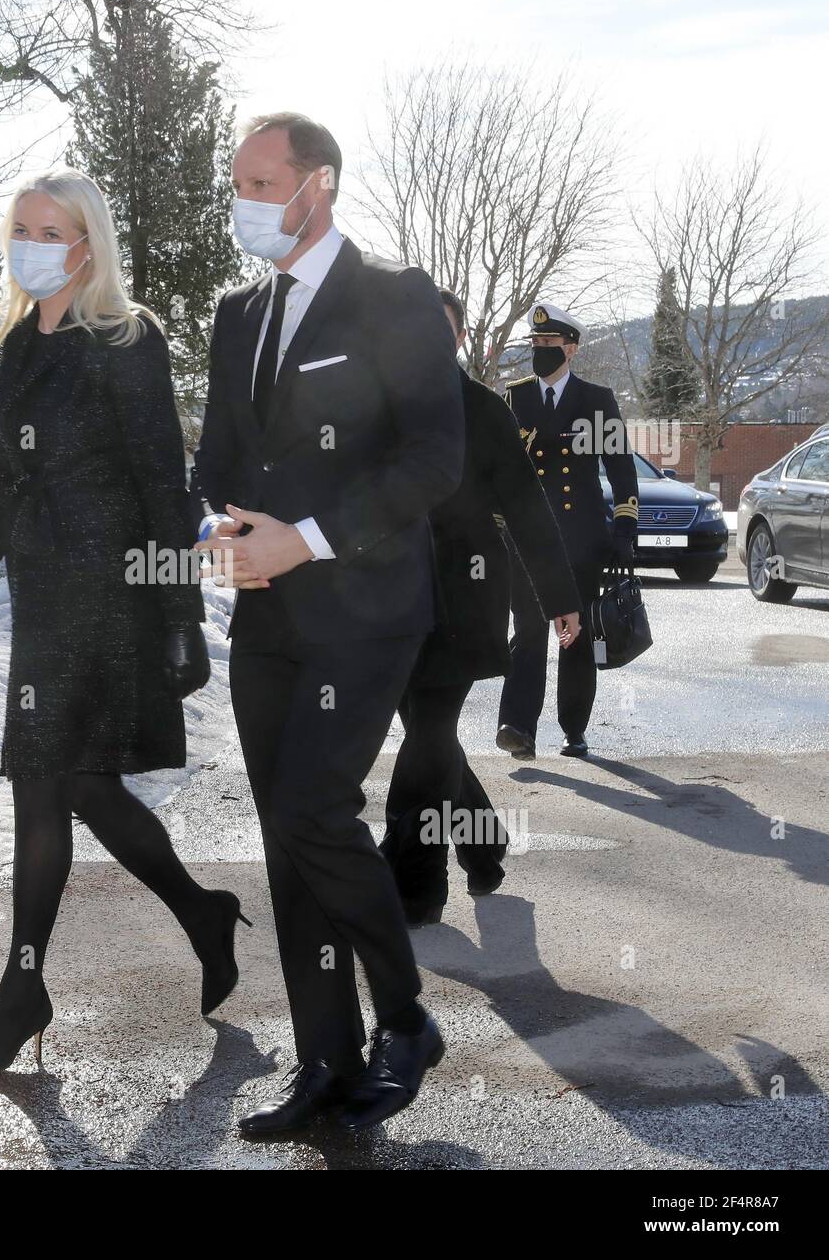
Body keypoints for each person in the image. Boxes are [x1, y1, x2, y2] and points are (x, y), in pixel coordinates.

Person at [0, 169, 248, 1076]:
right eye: (19, 227)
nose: (30, 243)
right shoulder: (17, 347)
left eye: (49, 229)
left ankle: (22, 989)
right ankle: (202, 913)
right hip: (45, 604)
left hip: (118, 601)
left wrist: (180, 615)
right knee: (84, 790)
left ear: (87, 244)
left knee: (44, 785)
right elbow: (2, 481)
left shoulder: (127, 340)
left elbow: (161, 485)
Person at [190, 113, 463, 1136]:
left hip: (367, 607)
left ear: (321, 185)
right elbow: (216, 454)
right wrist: (219, 522)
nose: (246, 203)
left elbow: (431, 459)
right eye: (239, 184)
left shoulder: (393, 299)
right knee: (284, 833)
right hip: (265, 612)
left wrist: (303, 537)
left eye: (264, 182)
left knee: (313, 807)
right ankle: (325, 1063)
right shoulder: (235, 314)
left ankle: (404, 1016)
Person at [381, 290, 581, 926]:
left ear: (460, 339)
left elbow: (527, 508)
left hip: (465, 601)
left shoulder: (483, 411)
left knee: (430, 734)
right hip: (388, 603)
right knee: (427, 736)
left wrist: (559, 599)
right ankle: (485, 840)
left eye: (441, 329)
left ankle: (414, 883)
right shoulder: (378, 409)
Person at [495, 302, 639, 760]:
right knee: (528, 630)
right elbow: (496, 470)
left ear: (571, 349)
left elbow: (621, 469)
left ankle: (574, 727)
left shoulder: (596, 401)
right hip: (526, 540)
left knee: (574, 635)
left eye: (549, 344)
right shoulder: (515, 398)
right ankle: (518, 726)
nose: (540, 350)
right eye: (535, 344)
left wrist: (624, 528)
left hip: (579, 539)